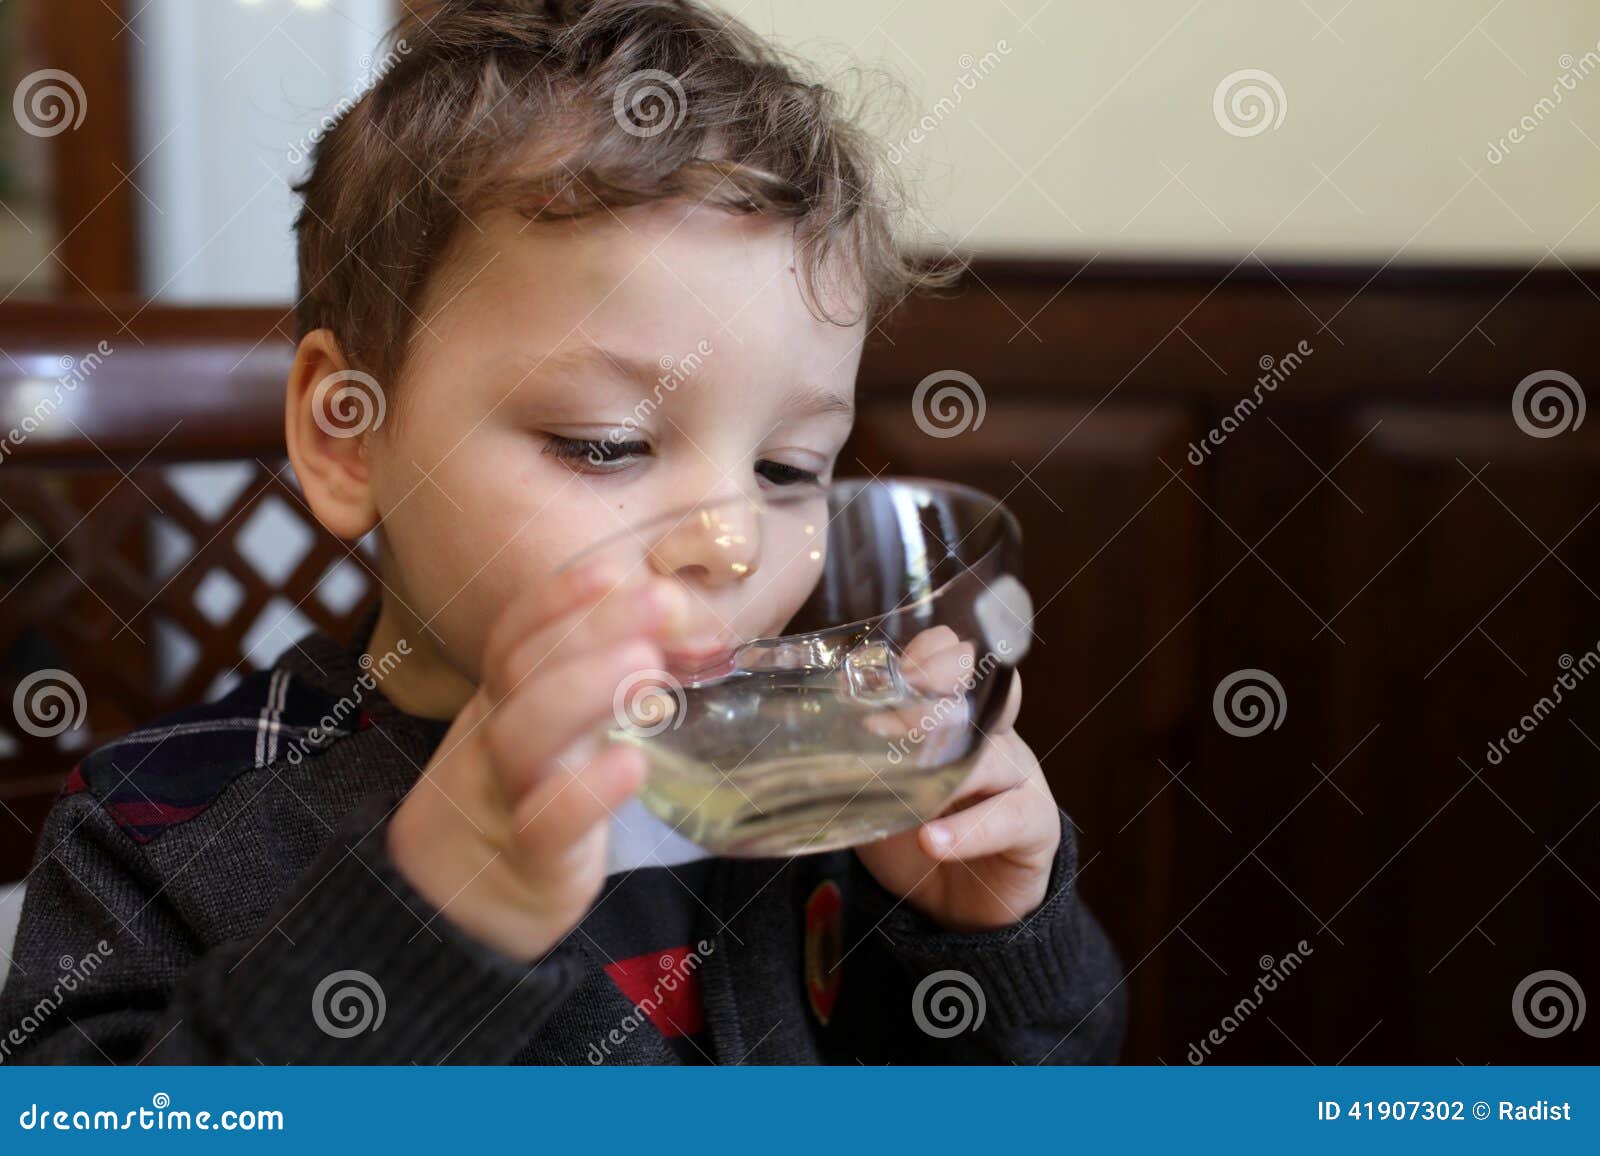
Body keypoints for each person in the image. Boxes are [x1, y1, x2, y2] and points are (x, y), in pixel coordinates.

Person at [0, 0, 1124, 1064]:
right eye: (604, 444)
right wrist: (422, 923)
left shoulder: (810, 791)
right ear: (349, 436)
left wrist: (980, 942)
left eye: (787, 469)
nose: (729, 542)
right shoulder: (165, 826)